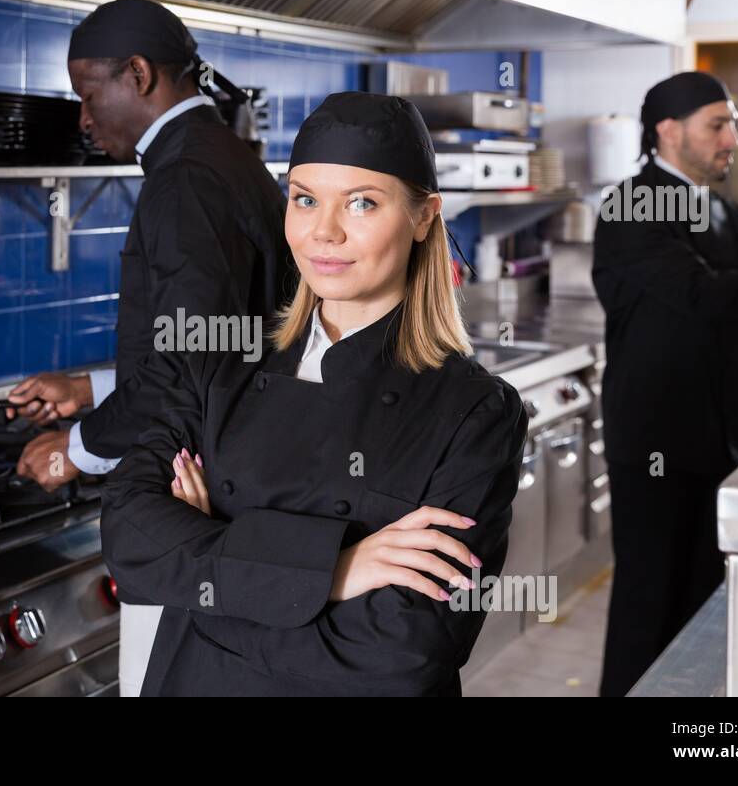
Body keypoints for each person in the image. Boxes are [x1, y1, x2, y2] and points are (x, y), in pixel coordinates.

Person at [100, 92, 528, 696]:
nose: (323, 232)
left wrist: (207, 589)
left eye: (361, 202)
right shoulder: (222, 364)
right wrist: (335, 570)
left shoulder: (475, 411)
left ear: (424, 215)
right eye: (305, 199)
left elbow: (409, 649)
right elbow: (127, 534)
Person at [5, 0, 292, 696]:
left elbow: (189, 365)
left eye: (86, 93)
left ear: (137, 74)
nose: (82, 115)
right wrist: (93, 388)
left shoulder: (185, 179)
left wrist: (76, 448)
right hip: (230, 483)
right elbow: (210, 338)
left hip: (195, 503)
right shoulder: (220, 156)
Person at [592, 71, 738, 696]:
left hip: (725, 435)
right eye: (719, 123)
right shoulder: (631, 205)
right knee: (648, 599)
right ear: (668, 129)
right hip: (656, 441)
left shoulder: (723, 207)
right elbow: (705, 297)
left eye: (733, 123)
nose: (733, 138)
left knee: (705, 596)